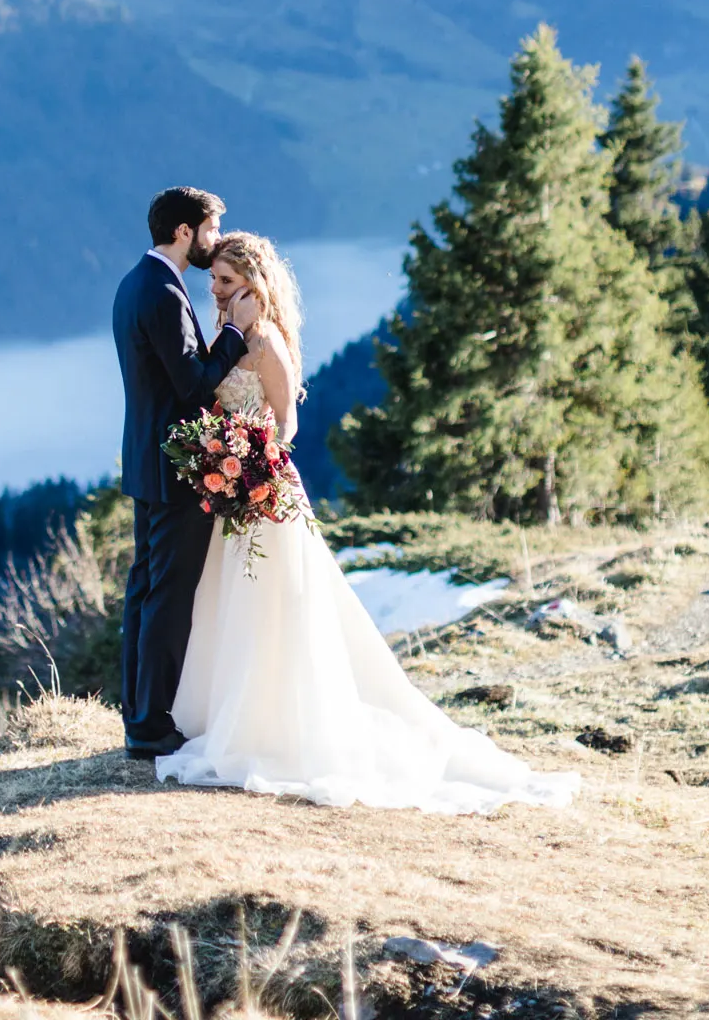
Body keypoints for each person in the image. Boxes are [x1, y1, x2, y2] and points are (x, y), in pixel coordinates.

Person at [155, 230, 580, 814]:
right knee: (228, 602)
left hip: (265, 489)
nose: (217, 291)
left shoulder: (267, 341)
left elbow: (287, 422)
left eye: (226, 281)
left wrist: (253, 457)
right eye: (214, 282)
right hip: (234, 494)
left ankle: (274, 727)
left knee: (273, 607)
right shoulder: (227, 337)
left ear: (255, 286)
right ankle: (224, 717)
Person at [112, 186, 255, 758]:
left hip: (146, 462)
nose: (214, 242)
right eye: (210, 229)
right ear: (184, 231)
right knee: (168, 597)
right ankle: (150, 727)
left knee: (145, 590)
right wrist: (236, 334)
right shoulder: (165, 293)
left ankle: (137, 714)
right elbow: (193, 385)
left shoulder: (134, 283)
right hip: (175, 470)